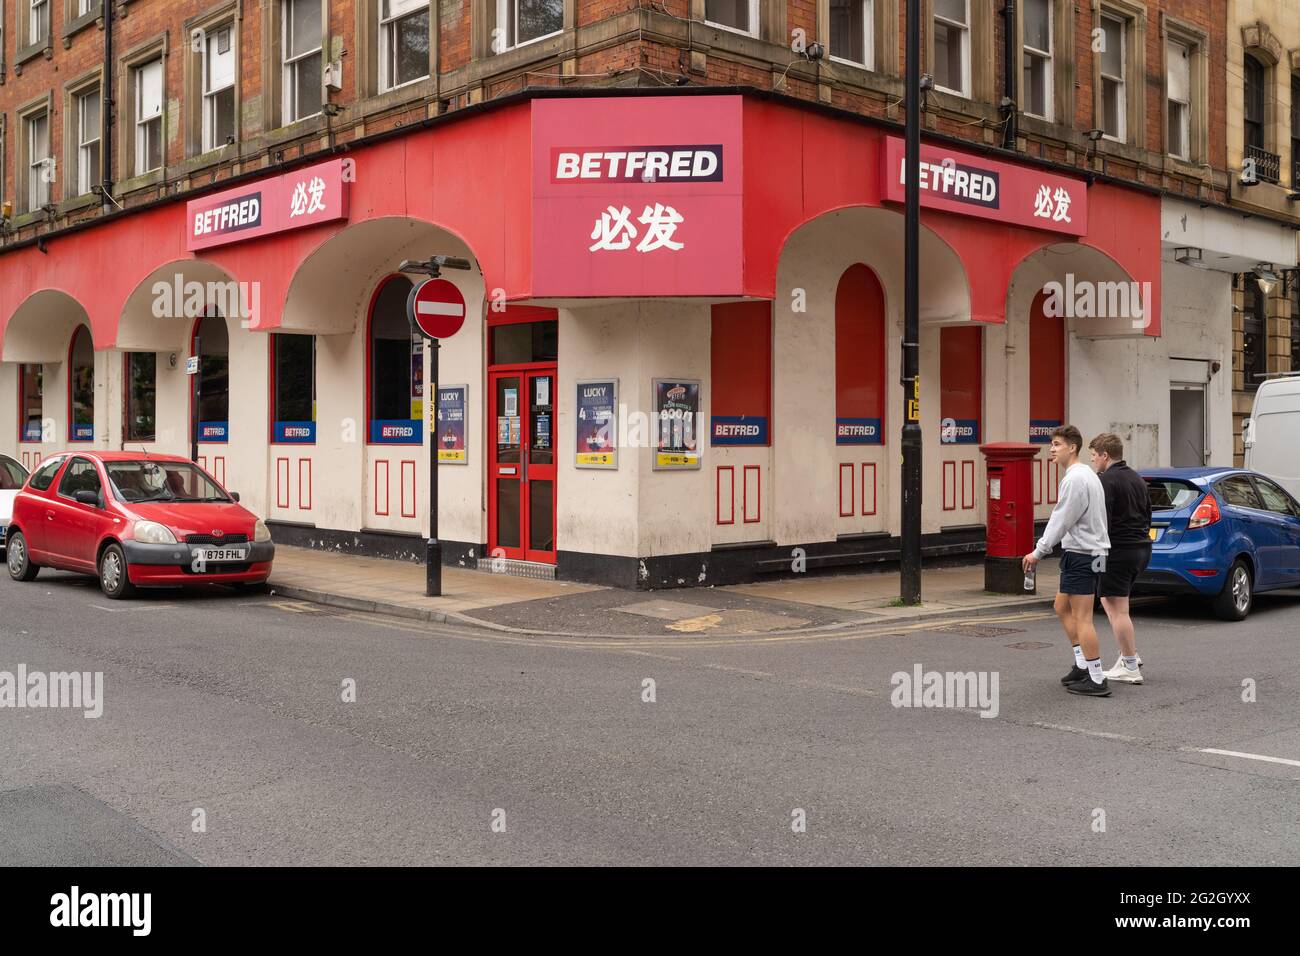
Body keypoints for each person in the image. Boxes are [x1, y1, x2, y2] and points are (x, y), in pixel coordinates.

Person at [1023, 425, 1112, 697]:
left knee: (1083, 617)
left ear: (1072, 447)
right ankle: (1082, 665)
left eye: (1058, 444)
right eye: (1052, 443)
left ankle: (1097, 678)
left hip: (1083, 555)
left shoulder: (1075, 479)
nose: (1052, 448)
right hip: (1091, 553)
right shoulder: (1087, 474)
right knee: (1061, 606)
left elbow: (1061, 519)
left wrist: (1038, 552)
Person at [1089, 433, 1151, 684]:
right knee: (1111, 603)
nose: (1093, 461)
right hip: (1141, 549)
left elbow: (1101, 521)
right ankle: (1130, 656)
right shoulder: (1137, 478)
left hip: (1117, 550)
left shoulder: (1106, 481)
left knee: (1116, 610)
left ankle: (1130, 666)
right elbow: (1148, 514)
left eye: (1094, 456)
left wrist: (1095, 553)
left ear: (1105, 455)